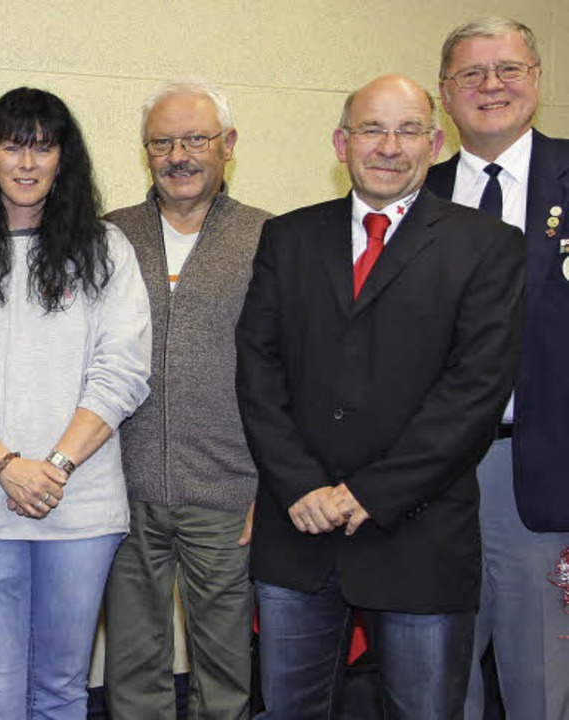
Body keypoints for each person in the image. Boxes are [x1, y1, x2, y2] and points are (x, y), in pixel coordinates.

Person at [235, 74, 523, 719]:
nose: (389, 146)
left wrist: (374, 492)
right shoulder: (288, 238)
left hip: (418, 532)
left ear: (435, 141)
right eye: (372, 129)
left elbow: (474, 392)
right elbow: (258, 370)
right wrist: (300, 485)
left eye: (408, 130)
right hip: (299, 527)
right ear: (342, 142)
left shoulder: (487, 246)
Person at [0, 87, 151, 719]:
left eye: (44, 147)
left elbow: (122, 372)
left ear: (63, 161)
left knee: (59, 690)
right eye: (12, 146)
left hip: (79, 505)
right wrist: (5, 466)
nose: (27, 163)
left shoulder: (107, 251)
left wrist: (54, 465)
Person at [102, 79, 269, 720]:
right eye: (162, 142)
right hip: (122, 489)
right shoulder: (110, 235)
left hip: (230, 494)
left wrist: (270, 484)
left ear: (227, 145)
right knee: (132, 671)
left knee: (225, 675)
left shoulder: (268, 239)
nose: (179, 155)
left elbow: (292, 373)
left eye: (195, 139)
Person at [423, 17, 569, 720]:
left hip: (539, 477)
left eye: (508, 69)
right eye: (471, 74)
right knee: (435, 684)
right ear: (444, 95)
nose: (491, 86)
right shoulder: (411, 192)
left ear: (537, 81)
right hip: (425, 479)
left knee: (541, 684)